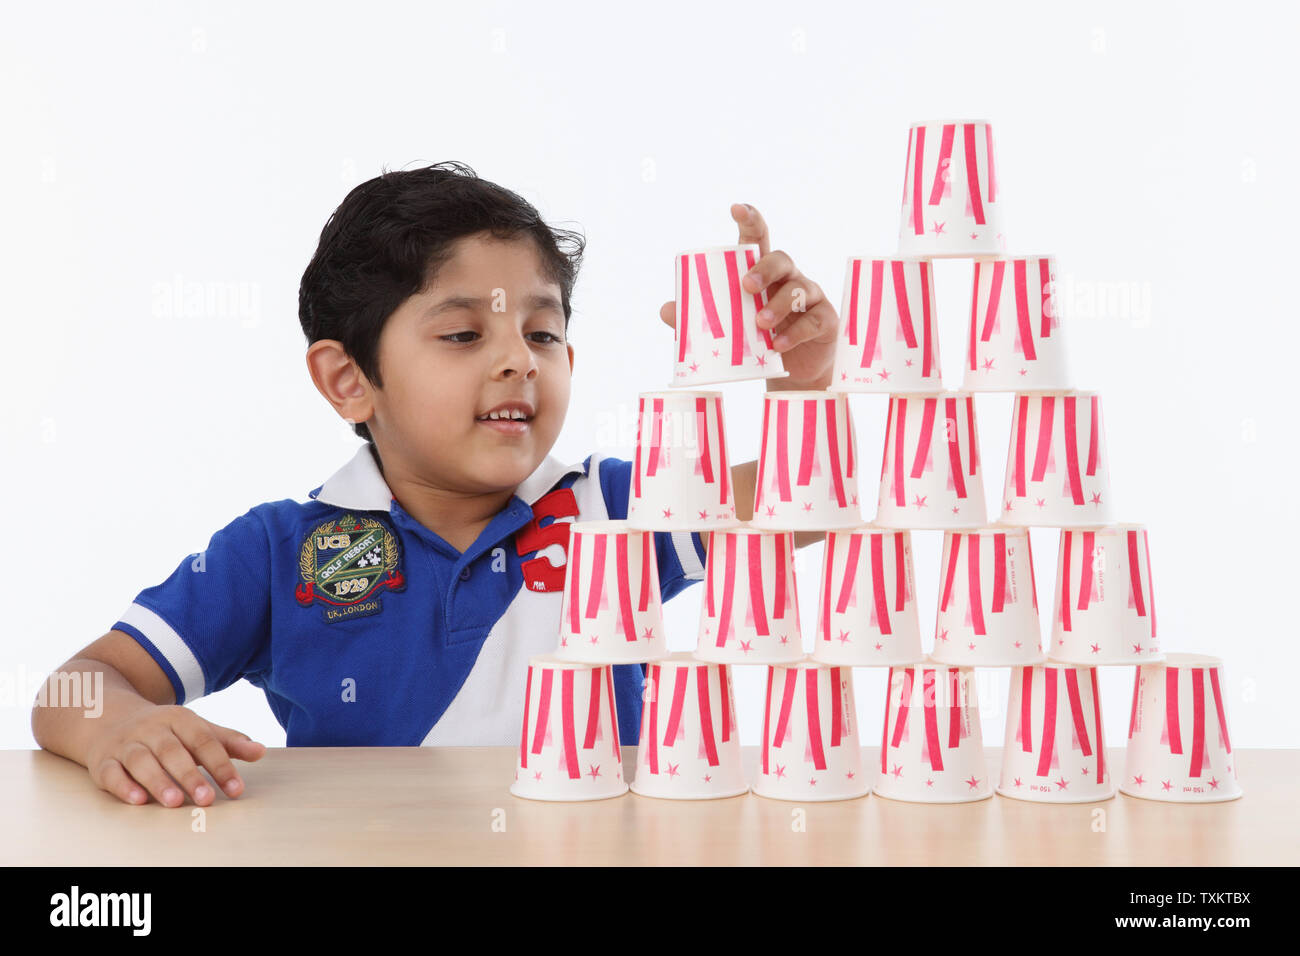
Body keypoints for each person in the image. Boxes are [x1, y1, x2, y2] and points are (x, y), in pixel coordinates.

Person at [30, 162, 840, 808]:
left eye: (543, 331)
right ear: (349, 380)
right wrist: (120, 730)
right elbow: (75, 685)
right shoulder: (279, 550)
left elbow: (800, 509)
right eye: (462, 333)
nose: (520, 358)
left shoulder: (614, 507)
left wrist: (801, 387)